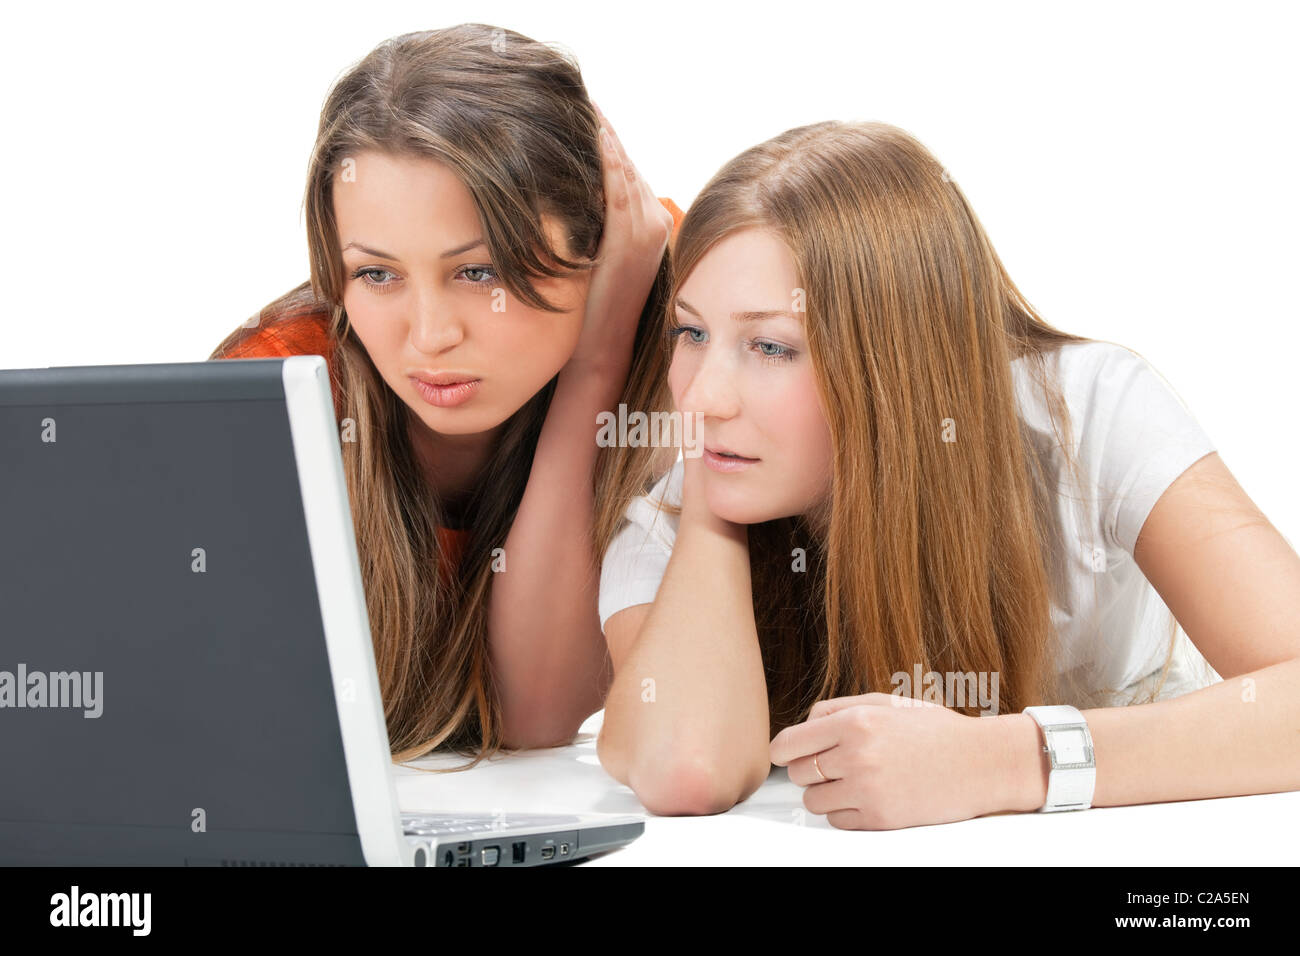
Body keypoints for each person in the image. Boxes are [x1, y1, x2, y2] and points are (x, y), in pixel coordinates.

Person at [595, 120, 1300, 828]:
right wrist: (713, 511)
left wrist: (1000, 761)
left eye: (772, 346)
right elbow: (685, 768)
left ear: (895, 364)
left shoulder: (1089, 413)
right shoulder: (678, 509)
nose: (702, 396)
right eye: (691, 333)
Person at [210, 24, 683, 767]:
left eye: (479, 272)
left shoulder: (681, 317)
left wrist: (600, 360)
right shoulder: (281, 386)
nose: (428, 337)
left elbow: (535, 714)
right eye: (376, 274)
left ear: (601, 245)